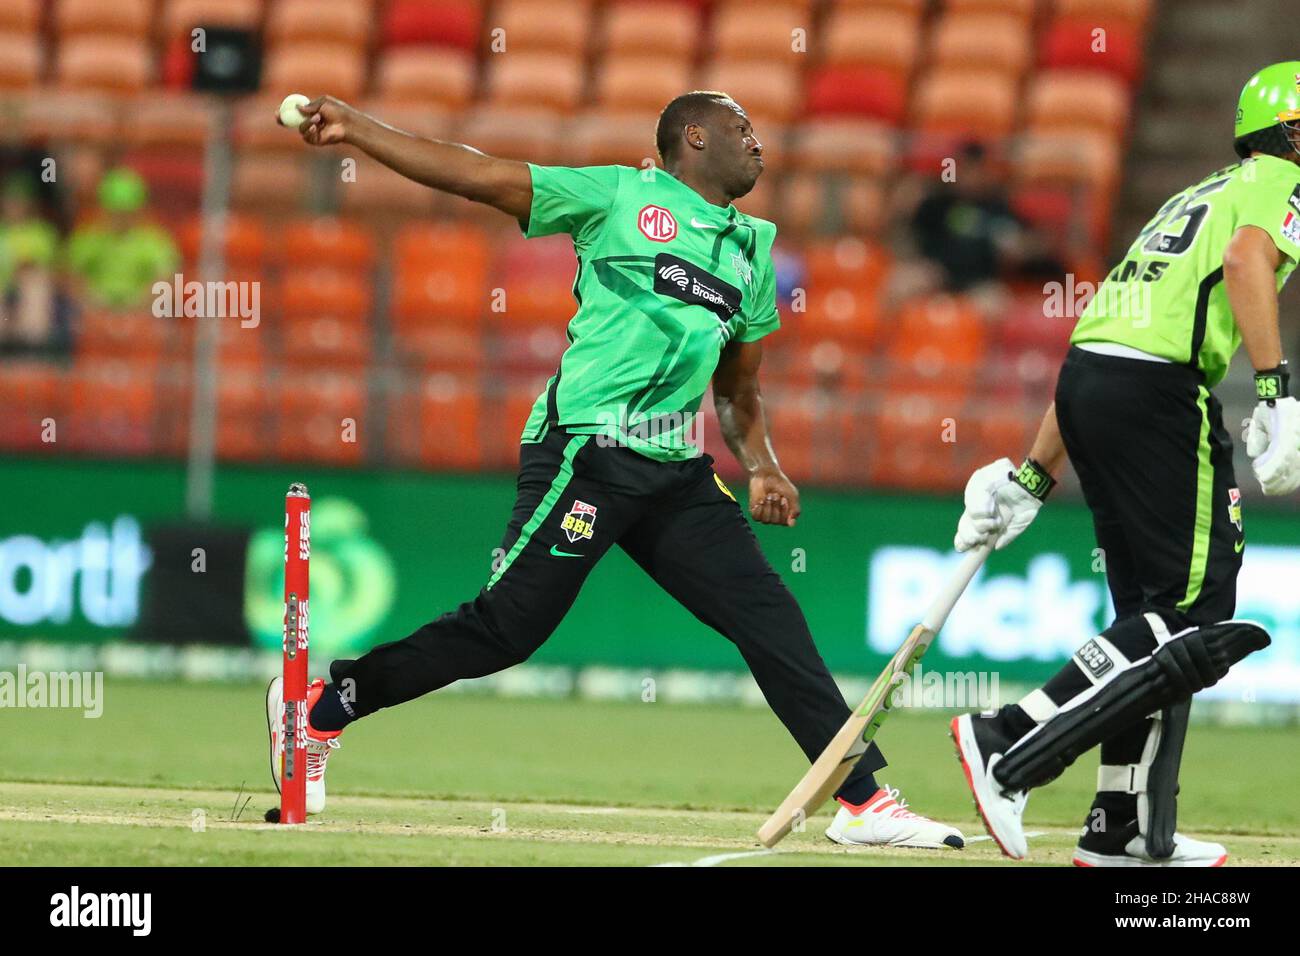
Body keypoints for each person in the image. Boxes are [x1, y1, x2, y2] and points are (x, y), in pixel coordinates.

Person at [265, 90, 964, 849]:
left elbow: (738, 388)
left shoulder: (753, 249)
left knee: (769, 619)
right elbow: (476, 174)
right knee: (507, 630)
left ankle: (861, 800)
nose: (759, 145)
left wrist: (763, 466)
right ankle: (324, 705)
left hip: (678, 471)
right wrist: (359, 129)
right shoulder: (617, 195)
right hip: (588, 450)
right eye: (742, 130)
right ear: (693, 137)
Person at [948, 63, 1300, 866]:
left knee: (1152, 623)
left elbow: (1105, 337)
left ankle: (1128, 827)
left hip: (1094, 382)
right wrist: (1277, 391)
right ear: (1291, 132)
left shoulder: (1195, 196)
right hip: (1158, 396)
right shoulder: (1281, 186)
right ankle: (1009, 742)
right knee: (1192, 618)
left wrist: (1033, 473)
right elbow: (1250, 264)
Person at [65, 168, 179, 311]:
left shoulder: (155, 242)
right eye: (115, 212)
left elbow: (166, 280)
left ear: (139, 211)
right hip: (93, 313)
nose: (120, 219)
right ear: (103, 210)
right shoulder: (87, 239)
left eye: (126, 213)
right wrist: (93, 301)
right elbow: (71, 278)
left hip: (144, 315)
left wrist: (140, 304)